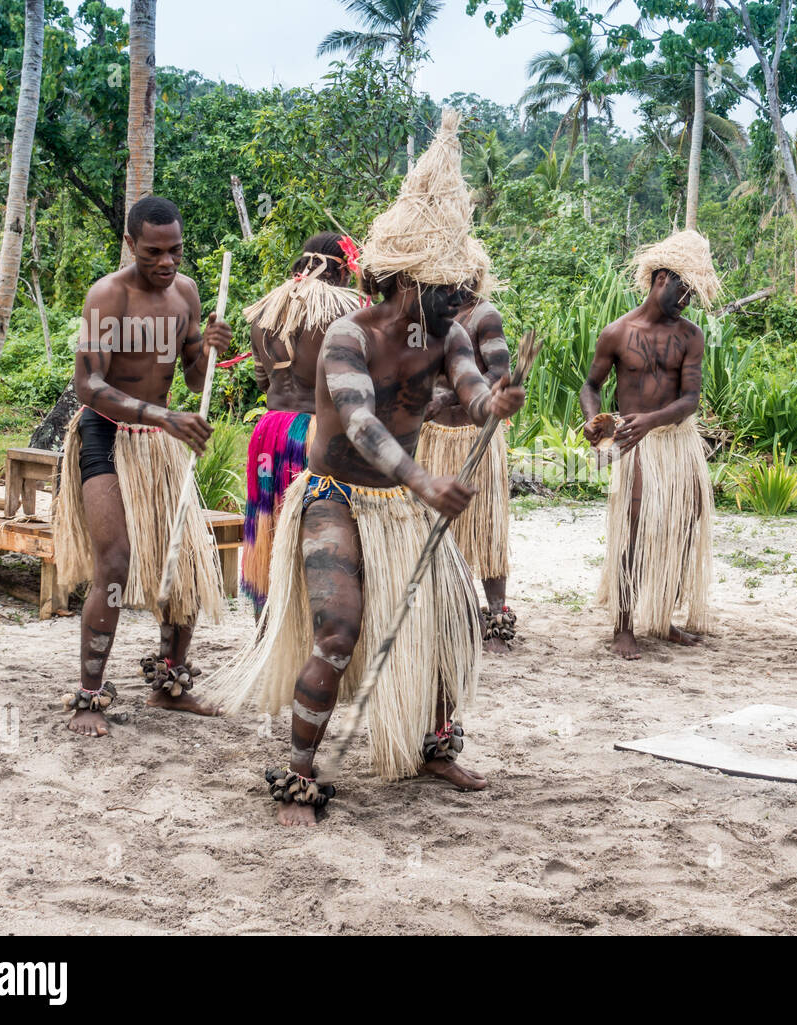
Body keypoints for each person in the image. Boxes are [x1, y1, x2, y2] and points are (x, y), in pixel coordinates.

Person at [214, 110, 525, 825]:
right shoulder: (347, 335)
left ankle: (435, 745)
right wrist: (421, 480)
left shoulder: (445, 333)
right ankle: (298, 774)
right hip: (335, 497)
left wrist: (491, 403)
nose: (460, 297)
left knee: (449, 620)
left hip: (402, 504)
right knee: (338, 632)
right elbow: (358, 421)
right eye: (448, 284)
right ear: (409, 280)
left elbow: (464, 392)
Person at [53, 195, 231, 737]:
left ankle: (169, 685)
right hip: (105, 433)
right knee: (116, 560)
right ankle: (89, 696)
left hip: (159, 442)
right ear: (130, 243)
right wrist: (163, 415)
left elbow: (197, 382)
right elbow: (90, 385)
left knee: (184, 561)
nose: (167, 262)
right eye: (154, 251)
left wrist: (207, 351)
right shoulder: (108, 296)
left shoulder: (187, 295)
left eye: (175, 250)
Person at [581, 229, 720, 660]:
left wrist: (651, 422)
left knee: (684, 522)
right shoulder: (617, 332)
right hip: (634, 444)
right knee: (635, 527)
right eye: (683, 288)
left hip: (676, 442)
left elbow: (690, 401)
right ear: (661, 277)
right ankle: (624, 625)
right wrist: (593, 420)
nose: (686, 300)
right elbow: (591, 385)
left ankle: (662, 617)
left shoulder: (691, 336)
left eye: (693, 293)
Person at [239, 232, 365, 617]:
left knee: (268, 525)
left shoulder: (266, 309)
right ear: (341, 271)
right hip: (318, 434)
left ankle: (265, 622)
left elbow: (263, 381)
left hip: (270, 431)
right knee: (322, 529)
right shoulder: (345, 310)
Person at [416, 237, 517, 651]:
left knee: (486, 530)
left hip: (473, 435)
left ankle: (497, 617)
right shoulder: (427, 320)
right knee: (441, 532)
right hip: (433, 437)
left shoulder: (484, 316)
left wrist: (449, 397)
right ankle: (452, 612)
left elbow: (499, 375)